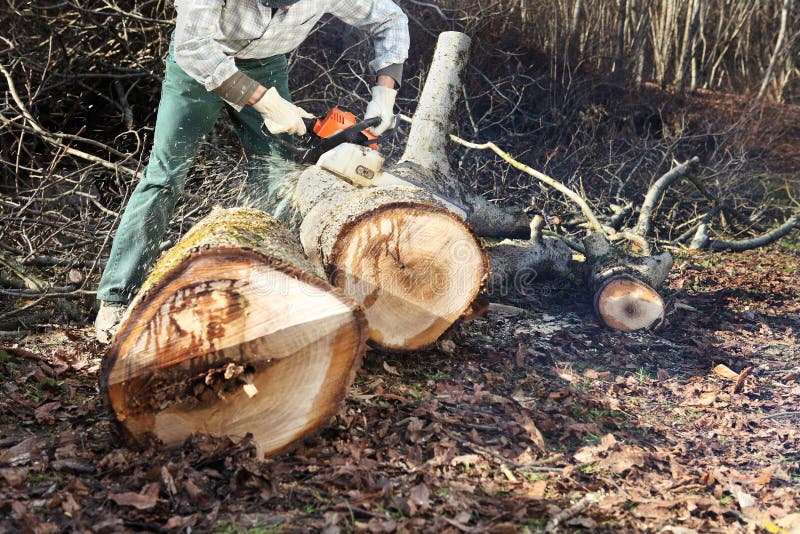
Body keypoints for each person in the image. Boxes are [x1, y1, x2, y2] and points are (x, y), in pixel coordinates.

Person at [93, 0, 409, 342]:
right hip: (201, 64)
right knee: (164, 177)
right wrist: (267, 103)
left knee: (279, 180)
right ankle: (115, 299)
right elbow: (191, 48)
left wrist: (384, 95)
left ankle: (276, 295)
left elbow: (390, 18)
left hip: (265, 65)